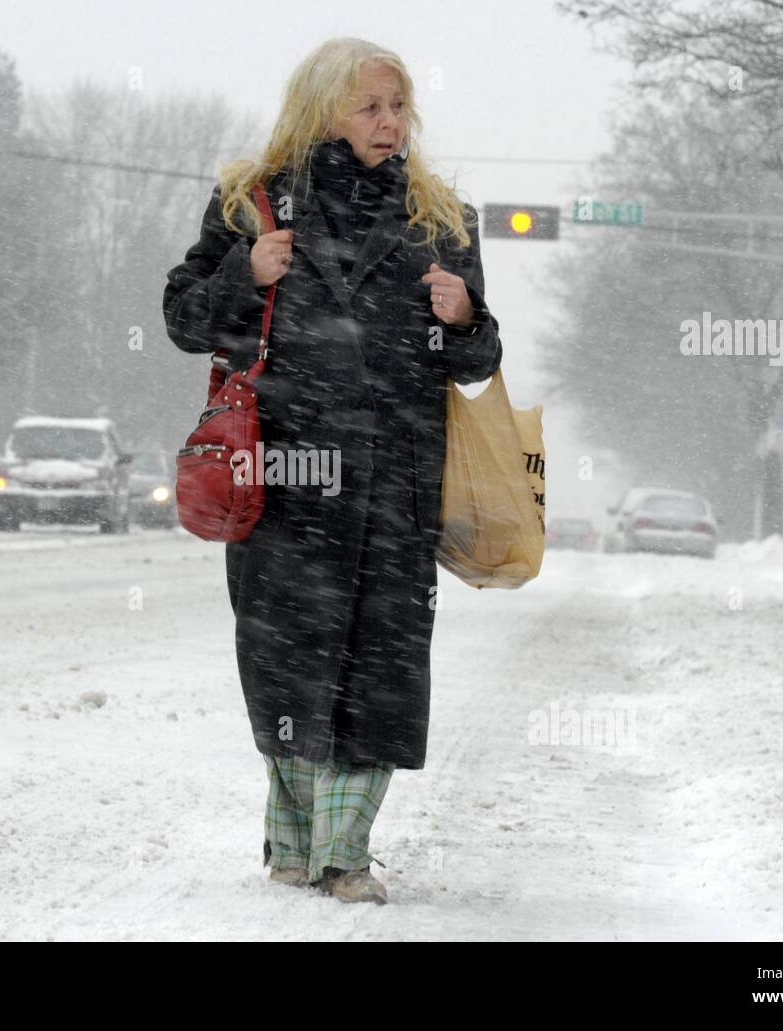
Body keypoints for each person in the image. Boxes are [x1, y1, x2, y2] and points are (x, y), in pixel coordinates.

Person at [162, 37, 501, 904]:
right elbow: (185, 318)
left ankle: (344, 853)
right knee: (289, 663)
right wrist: (245, 270)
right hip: (286, 480)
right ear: (324, 111)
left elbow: (476, 360)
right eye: (371, 107)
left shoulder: (440, 218)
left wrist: (464, 318)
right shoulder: (254, 204)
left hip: (394, 483)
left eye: (398, 107)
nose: (391, 123)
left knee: (379, 670)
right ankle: (292, 839)